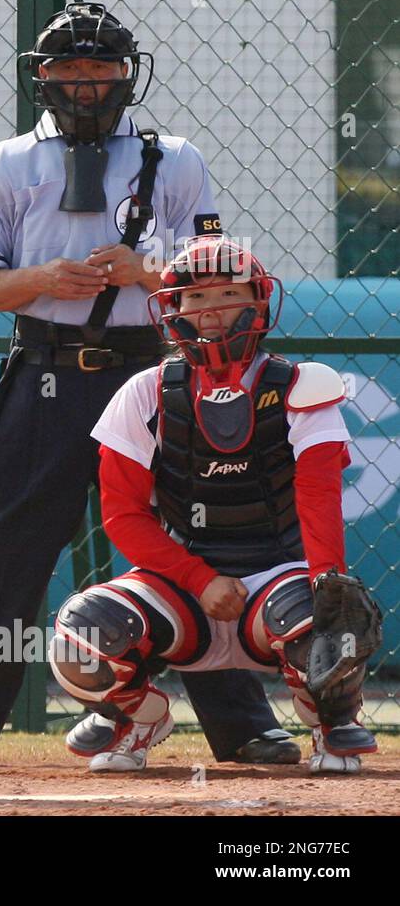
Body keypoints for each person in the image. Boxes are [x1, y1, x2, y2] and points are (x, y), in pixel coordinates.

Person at [0, 0, 296, 767]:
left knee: (198, 534)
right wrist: (45, 277)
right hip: (49, 370)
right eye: (68, 66)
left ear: (126, 74)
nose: (84, 80)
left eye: (100, 66)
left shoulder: (174, 158)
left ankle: (243, 723)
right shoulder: (7, 162)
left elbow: (215, 278)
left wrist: (144, 272)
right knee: (9, 546)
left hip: (157, 374)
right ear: (42, 76)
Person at [48, 235, 379, 773]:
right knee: (81, 632)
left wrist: (325, 580)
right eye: (194, 298)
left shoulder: (303, 384)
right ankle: (138, 718)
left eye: (228, 292)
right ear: (172, 308)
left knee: (322, 613)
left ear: (257, 301)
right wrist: (199, 579)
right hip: (184, 584)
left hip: (278, 571)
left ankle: (332, 723)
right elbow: (122, 515)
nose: (212, 310)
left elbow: (318, 494)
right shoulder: (144, 391)